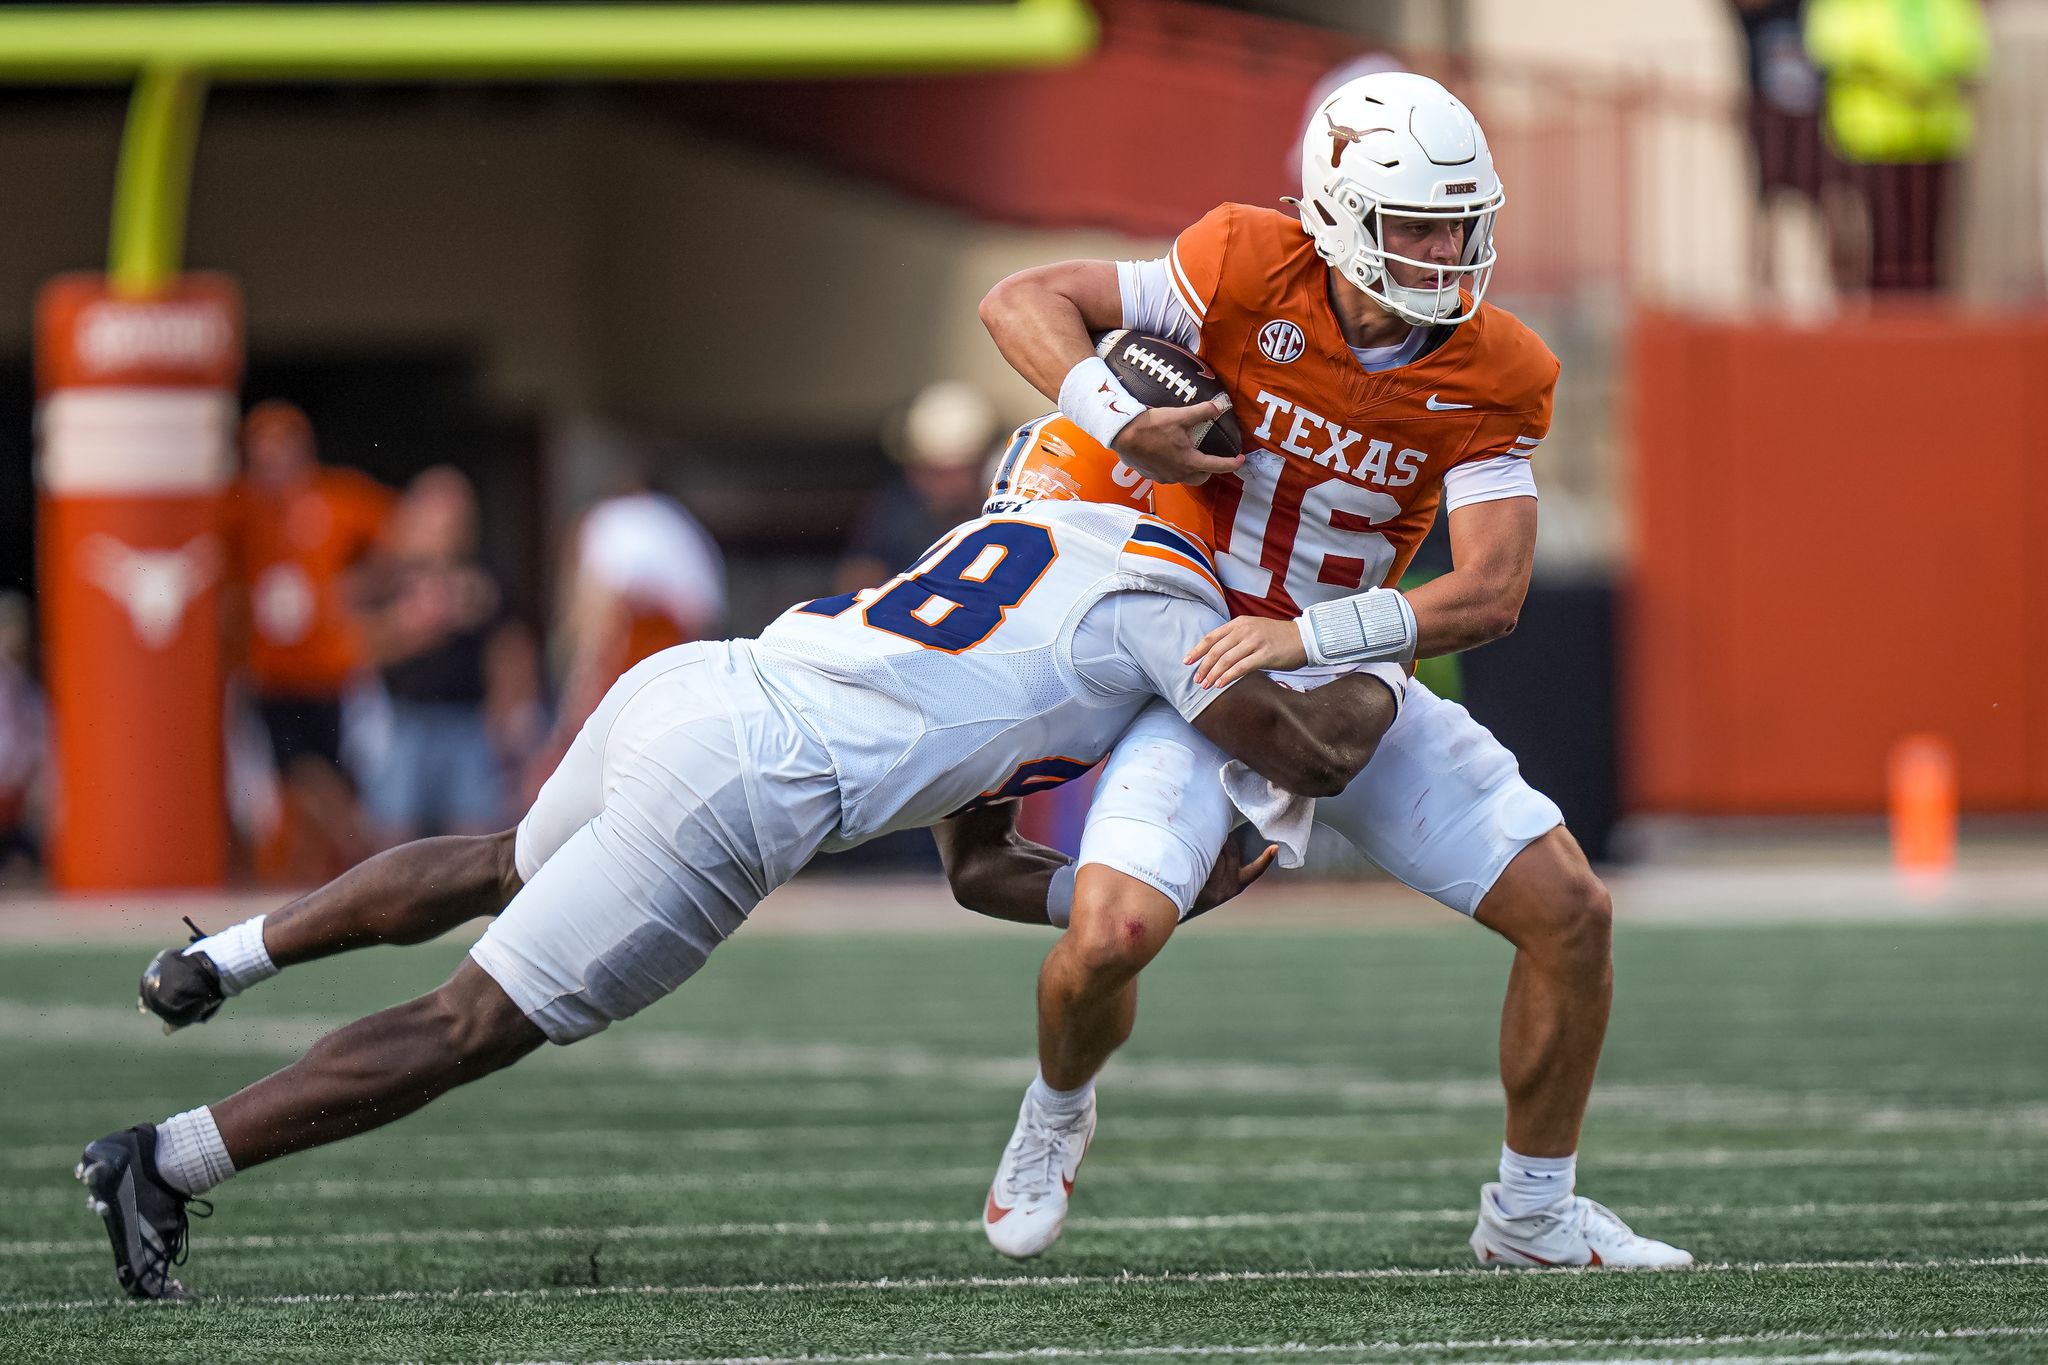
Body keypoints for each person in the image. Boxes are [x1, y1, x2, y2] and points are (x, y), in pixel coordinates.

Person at [81, 492, 1390, 1301]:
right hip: (752, 785)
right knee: (469, 1024)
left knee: (501, 862)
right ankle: (165, 1161)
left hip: (700, 684)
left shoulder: (1041, 521)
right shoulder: (1164, 609)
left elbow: (974, 865)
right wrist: (1387, 651)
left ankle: (222, 959)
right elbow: (1310, 748)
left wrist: (1118, 904)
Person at [972, 70, 1689, 1269]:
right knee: (1106, 939)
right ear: (1340, 214)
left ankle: (1530, 1213)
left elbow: (1490, 591)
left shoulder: (1495, 367)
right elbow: (1021, 297)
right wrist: (1114, 416)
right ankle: (1055, 1113)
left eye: (1459, 225)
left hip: (1336, 667)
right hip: (1195, 656)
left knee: (1570, 914)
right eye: (1415, 225)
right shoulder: (1243, 262)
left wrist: (1305, 638)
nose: (1445, 252)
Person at [225, 400, 395, 882]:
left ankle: (355, 852)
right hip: (271, 671)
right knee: (295, 774)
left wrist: (358, 589)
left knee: (324, 774)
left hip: (328, 669)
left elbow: (398, 534)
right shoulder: (242, 508)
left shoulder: (335, 498)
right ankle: (354, 850)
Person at [357, 467, 540, 844]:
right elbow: (358, 643)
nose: (450, 526)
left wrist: (514, 716)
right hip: (406, 720)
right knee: (395, 834)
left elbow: (510, 648)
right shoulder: (389, 576)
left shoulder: (485, 577)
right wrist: (412, 625)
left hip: (468, 721)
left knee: (471, 835)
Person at [524, 476, 724, 801]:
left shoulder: (612, 523)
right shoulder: (680, 525)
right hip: (679, 675)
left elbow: (598, 622)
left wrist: (571, 719)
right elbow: (706, 617)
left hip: (637, 663)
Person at [1804, 0, 1988, 291]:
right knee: (1884, 245)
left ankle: (1925, 309)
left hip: (1934, 138)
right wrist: (1899, 82)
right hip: (1871, 138)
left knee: (1927, 247)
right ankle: (1885, 307)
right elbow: (1829, 46)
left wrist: (1926, 83)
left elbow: (1970, 49)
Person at [835, 380, 1000, 594]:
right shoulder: (895, 510)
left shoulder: (1005, 517)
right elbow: (857, 583)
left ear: (983, 467)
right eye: (928, 470)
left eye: (952, 472)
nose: (939, 486)